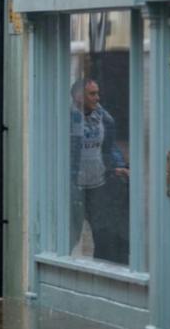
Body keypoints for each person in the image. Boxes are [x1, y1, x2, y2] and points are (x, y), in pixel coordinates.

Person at [69, 78, 130, 264]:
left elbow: (109, 148)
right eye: (92, 94)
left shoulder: (104, 117)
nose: (97, 98)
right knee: (70, 235)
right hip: (74, 186)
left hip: (98, 185)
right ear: (79, 97)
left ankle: (104, 271)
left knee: (103, 233)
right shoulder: (67, 118)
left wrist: (119, 167)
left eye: (97, 93)